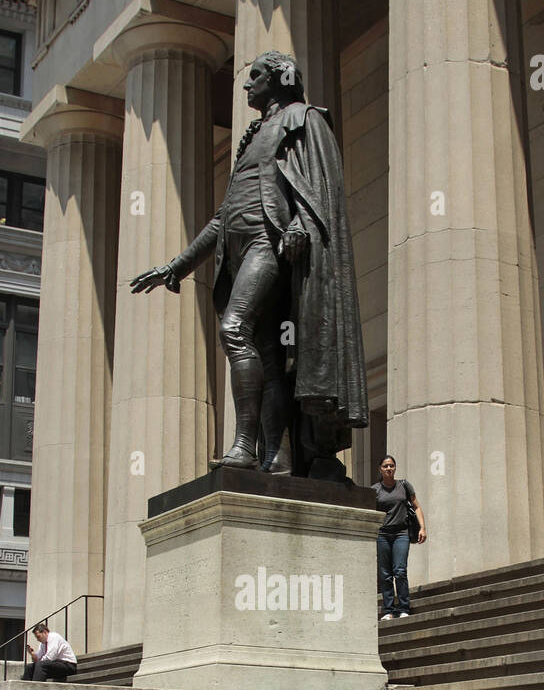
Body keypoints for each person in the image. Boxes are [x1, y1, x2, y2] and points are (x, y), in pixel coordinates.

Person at [131, 51, 368, 480]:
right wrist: (176, 268)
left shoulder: (303, 118)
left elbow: (321, 186)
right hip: (238, 249)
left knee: (233, 328)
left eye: (255, 76)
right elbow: (222, 217)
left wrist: (301, 222)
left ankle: (244, 445)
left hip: (270, 243)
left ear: (279, 78)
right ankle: (276, 458)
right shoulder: (253, 137)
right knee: (269, 357)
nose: (246, 84)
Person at [374, 455, 426, 620]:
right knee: (385, 573)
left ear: (395, 468)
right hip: (383, 534)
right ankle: (388, 610)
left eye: (391, 466)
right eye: (385, 466)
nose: (389, 469)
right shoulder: (375, 490)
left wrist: (422, 527)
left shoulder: (404, 486)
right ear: (380, 469)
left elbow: (416, 507)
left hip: (401, 533)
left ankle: (404, 607)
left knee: (400, 570)